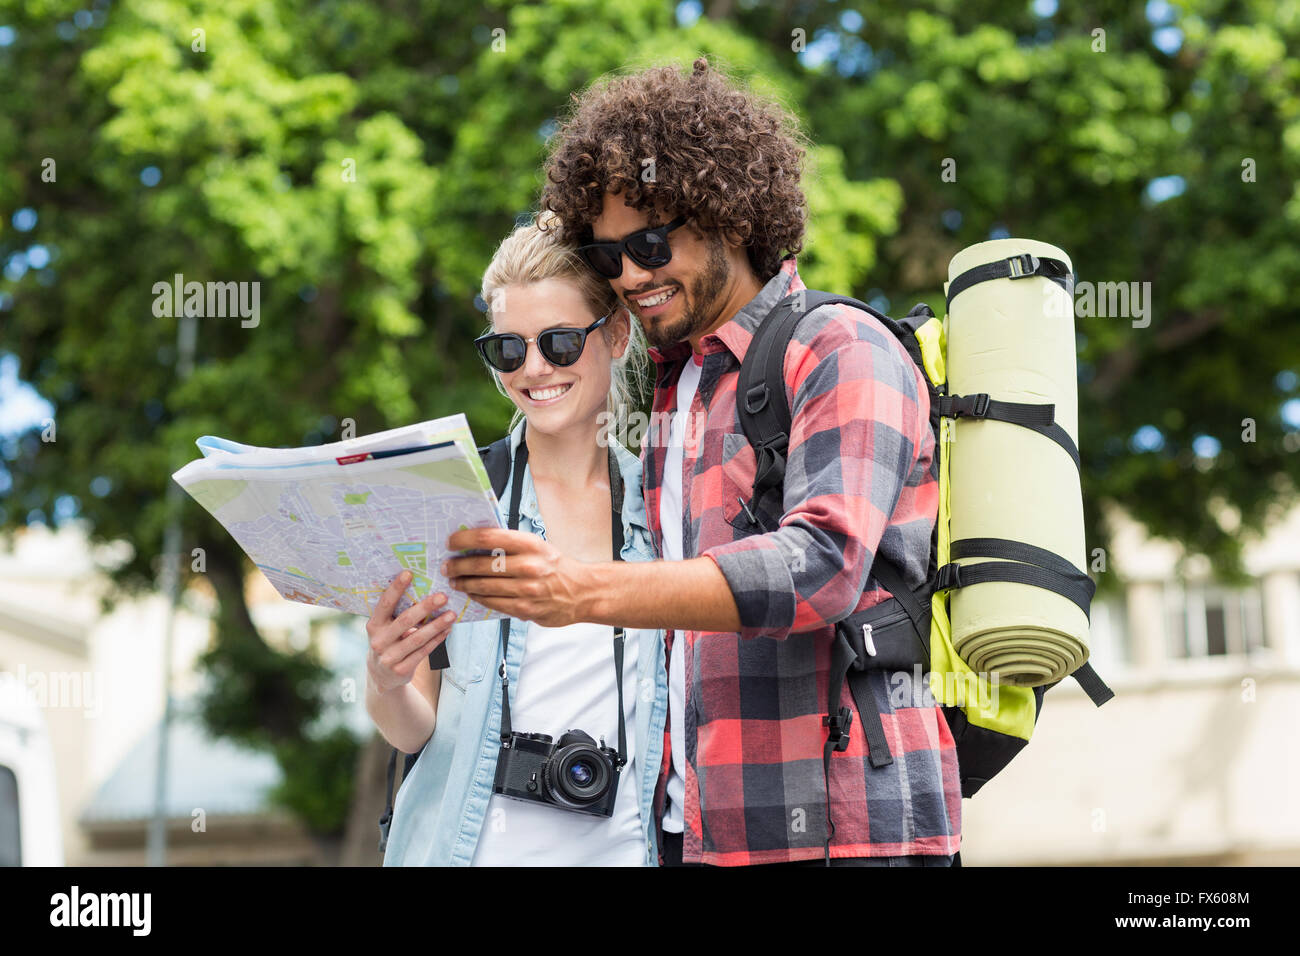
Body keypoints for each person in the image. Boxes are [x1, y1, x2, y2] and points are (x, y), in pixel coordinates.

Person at [444, 58, 960, 866]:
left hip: (843, 832)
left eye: (652, 243)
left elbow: (820, 565)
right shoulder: (676, 384)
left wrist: (580, 591)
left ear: (730, 212)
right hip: (698, 836)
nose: (632, 277)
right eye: (609, 256)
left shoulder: (838, 348)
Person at [369, 211, 667, 866]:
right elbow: (415, 727)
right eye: (509, 349)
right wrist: (385, 682)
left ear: (616, 333)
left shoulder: (666, 505)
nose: (533, 369)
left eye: (559, 342)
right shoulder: (447, 501)